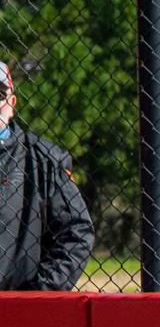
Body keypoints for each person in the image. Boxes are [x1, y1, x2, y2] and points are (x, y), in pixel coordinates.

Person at [0, 61, 93, 291]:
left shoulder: (43, 160)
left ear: (11, 105)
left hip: (18, 310)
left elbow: (76, 231)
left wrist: (39, 294)